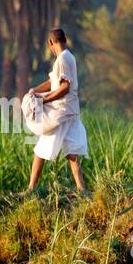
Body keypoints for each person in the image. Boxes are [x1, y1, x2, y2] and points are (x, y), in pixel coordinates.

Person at [24, 28, 88, 192]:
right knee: (72, 152)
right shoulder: (65, 58)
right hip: (69, 111)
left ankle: (31, 189)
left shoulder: (64, 59)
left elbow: (64, 87)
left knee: (41, 148)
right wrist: (34, 91)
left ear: (50, 43)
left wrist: (44, 100)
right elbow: (53, 80)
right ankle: (82, 190)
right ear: (65, 40)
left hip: (61, 112)